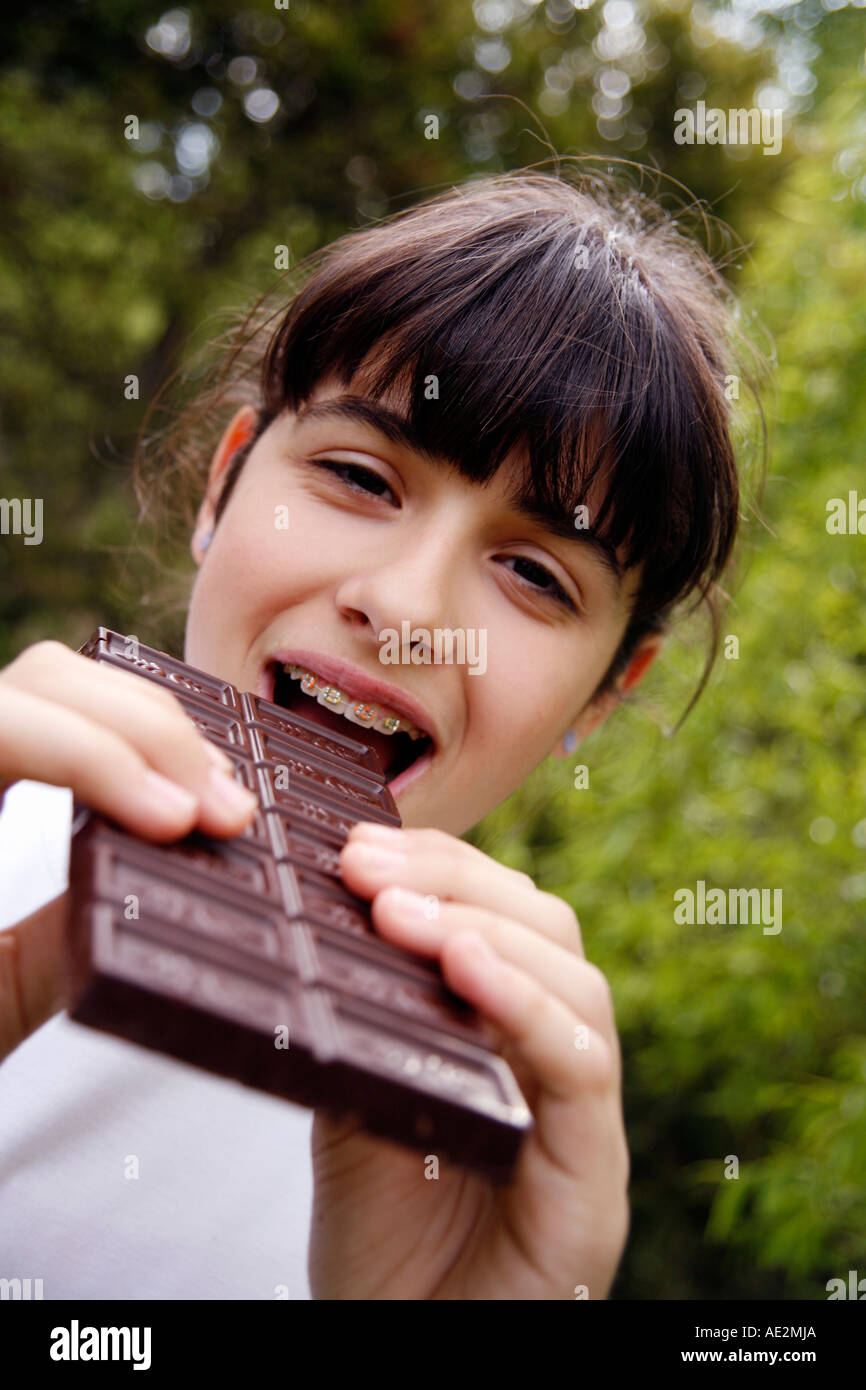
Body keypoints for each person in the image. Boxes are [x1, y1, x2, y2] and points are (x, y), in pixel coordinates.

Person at [0, 166, 753, 1300]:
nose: (403, 610)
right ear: (224, 487)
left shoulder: (483, 1167)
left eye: (533, 575)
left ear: (600, 693)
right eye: (357, 475)